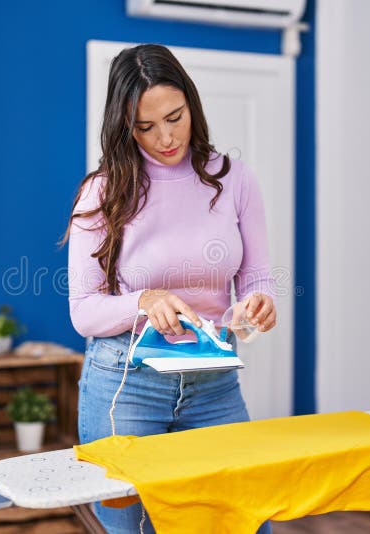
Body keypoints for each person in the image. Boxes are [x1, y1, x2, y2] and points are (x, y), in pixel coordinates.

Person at [62, 44, 277, 534]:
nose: (165, 137)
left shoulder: (234, 179)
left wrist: (258, 306)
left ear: (192, 106)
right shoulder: (103, 191)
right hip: (125, 386)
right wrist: (143, 300)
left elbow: (257, 278)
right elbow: (84, 312)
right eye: (145, 127)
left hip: (214, 384)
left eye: (174, 117)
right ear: (125, 126)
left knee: (244, 522)